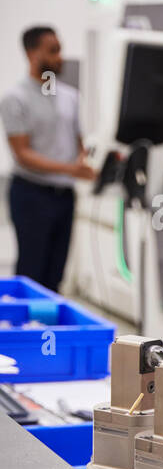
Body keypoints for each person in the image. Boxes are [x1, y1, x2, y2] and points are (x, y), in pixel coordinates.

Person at [1, 26, 94, 292]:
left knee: (55, 274)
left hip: (64, 196)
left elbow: (80, 145)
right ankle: (26, 332)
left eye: (60, 50)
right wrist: (69, 169)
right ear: (32, 54)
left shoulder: (71, 98)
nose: (59, 57)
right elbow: (23, 154)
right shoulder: (15, 99)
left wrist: (92, 163)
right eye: (52, 51)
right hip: (31, 195)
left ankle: (52, 333)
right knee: (32, 273)